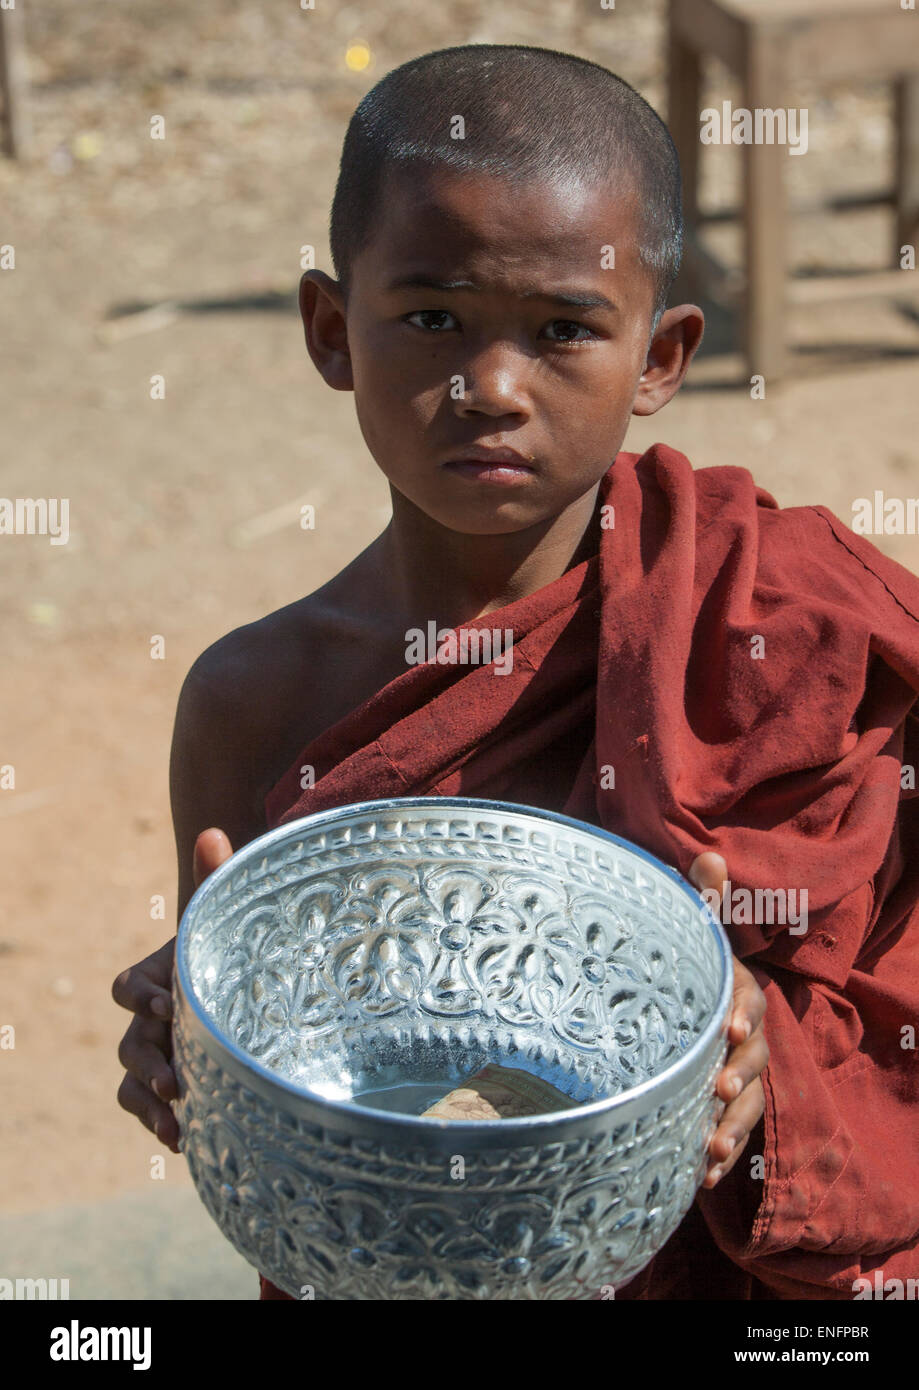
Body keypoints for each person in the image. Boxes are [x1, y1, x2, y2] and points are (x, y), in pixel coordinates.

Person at [113, 44, 919, 1299]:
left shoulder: (782, 619)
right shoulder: (254, 699)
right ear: (332, 331)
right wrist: (195, 1059)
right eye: (432, 318)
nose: (490, 386)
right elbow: (265, 1107)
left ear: (660, 356)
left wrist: (772, 1069)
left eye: (561, 330)